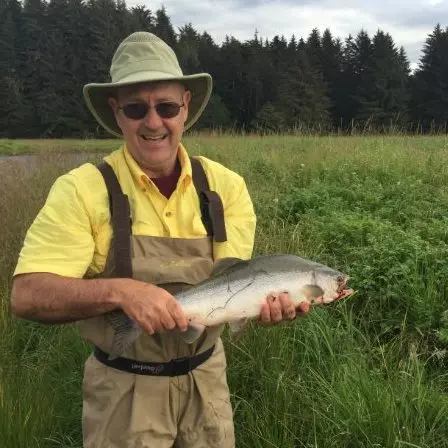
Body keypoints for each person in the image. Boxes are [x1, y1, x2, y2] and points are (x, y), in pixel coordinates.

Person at [10, 31, 310, 447]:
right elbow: (27, 296)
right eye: (136, 108)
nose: (153, 122)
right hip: (122, 397)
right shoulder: (81, 190)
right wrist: (121, 293)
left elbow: (235, 285)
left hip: (208, 390)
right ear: (117, 113)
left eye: (166, 106)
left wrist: (268, 305)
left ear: (185, 107)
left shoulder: (227, 187)